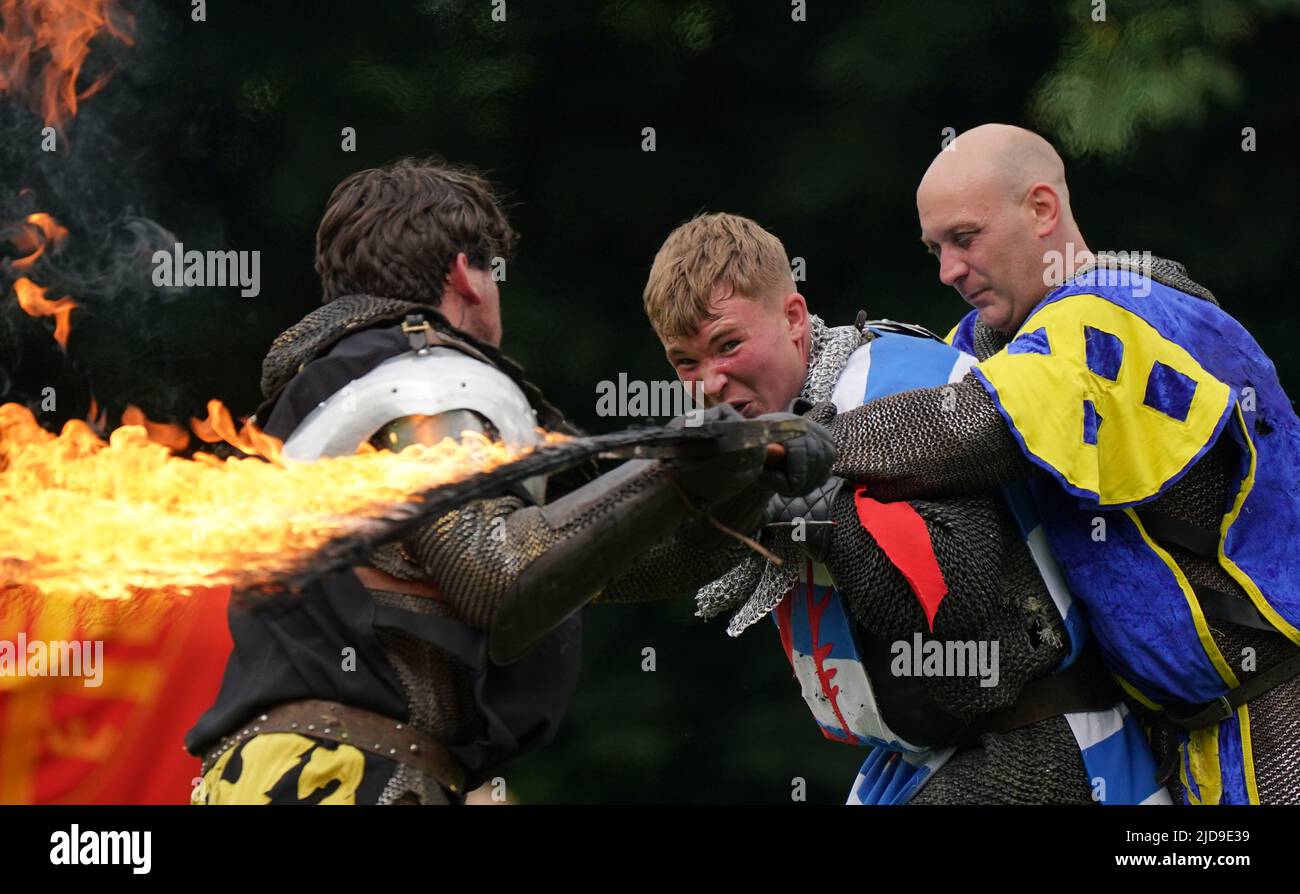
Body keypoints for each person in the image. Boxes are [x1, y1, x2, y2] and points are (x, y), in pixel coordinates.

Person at [186, 159, 832, 805]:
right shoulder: (416, 384)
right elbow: (498, 573)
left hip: (284, 774)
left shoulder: (334, 391)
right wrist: (683, 471)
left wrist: (744, 476)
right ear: (468, 274)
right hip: (340, 778)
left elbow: (604, 565)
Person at [609, 211, 1169, 804]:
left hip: (1042, 744)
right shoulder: (762, 432)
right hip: (919, 760)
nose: (711, 382)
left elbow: (956, 596)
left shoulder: (898, 384)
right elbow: (666, 551)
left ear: (793, 317)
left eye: (728, 345)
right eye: (686, 363)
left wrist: (806, 508)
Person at [826, 123, 1300, 804]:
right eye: (934, 249)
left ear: (1042, 209)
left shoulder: (1122, 314)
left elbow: (979, 423)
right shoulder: (999, 343)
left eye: (965, 238)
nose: (947, 271)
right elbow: (937, 400)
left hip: (1280, 714)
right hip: (1178, 746)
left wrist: (805, 445)